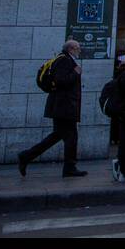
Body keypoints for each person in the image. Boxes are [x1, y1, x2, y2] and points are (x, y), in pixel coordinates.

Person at [18, 39, 86, 178]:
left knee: (59, 135)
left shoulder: (63, 60)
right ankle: (69, 168)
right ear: (71, 49)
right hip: (64, 106)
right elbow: (61, 80)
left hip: (62, 106)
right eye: (78, 48)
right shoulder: (65, 61)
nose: (80, 50)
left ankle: (27, 156)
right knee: (70, 136)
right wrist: (76, 73)